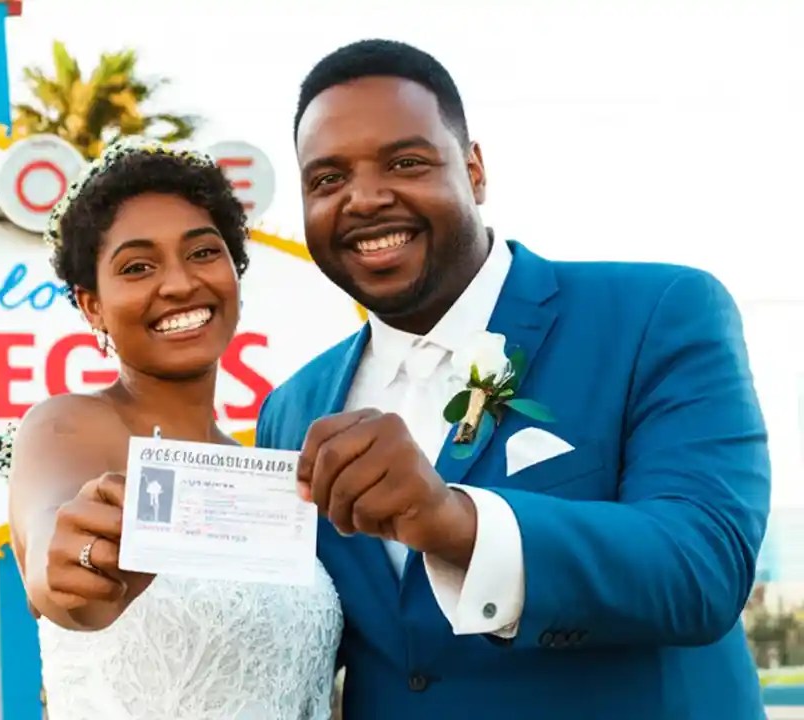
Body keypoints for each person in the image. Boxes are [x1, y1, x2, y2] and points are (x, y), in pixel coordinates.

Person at [255, 38, 771, 719]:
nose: (364, 198)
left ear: (473, 171)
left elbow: (702, 569)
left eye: (405, 162)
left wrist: (455, 521)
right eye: (327, 179)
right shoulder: (290, 410)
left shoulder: (658, 314)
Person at [2, 138, 343, 719]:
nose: (180, 284)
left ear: (235, 272)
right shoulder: (68, 426)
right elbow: (52, 555)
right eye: (138, 267)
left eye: (204, 253)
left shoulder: (265, 478)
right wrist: (70, 566)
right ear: (92, 306)